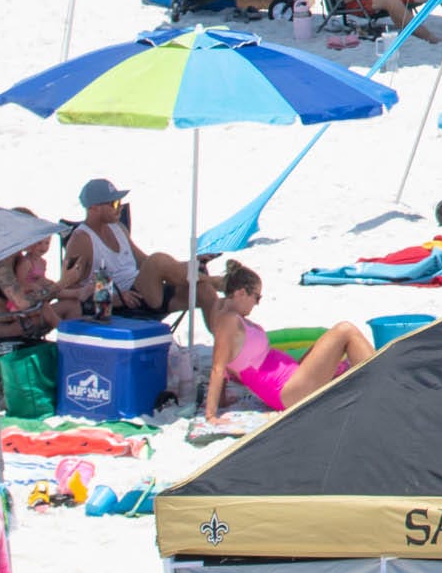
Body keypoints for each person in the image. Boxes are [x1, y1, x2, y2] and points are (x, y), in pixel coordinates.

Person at [198, 261, 369, 425]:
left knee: (334, 341)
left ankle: (382, 379)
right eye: (257, 297)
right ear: (241, 293)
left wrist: (223, 400)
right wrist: (211, 415)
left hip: (291, 380)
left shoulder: (227, 313)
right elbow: (218, 367)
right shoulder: (228, 321)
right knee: (345, 330)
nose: (257, 304)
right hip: (287, 391)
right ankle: (384, 379)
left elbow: (223, 362)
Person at [58, 177, 188, 316]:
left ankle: (200, 276)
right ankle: (208, 279)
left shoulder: (118, 227)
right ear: (94, 208)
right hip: (122, 303)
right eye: (114, 204)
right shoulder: (81, 240)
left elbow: (144, 261)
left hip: (144, 289)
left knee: (204, 292)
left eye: (120, 203)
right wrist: (114, 298)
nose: (120, 207)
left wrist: (180, 266)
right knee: (157, 261)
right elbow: (68, 287)